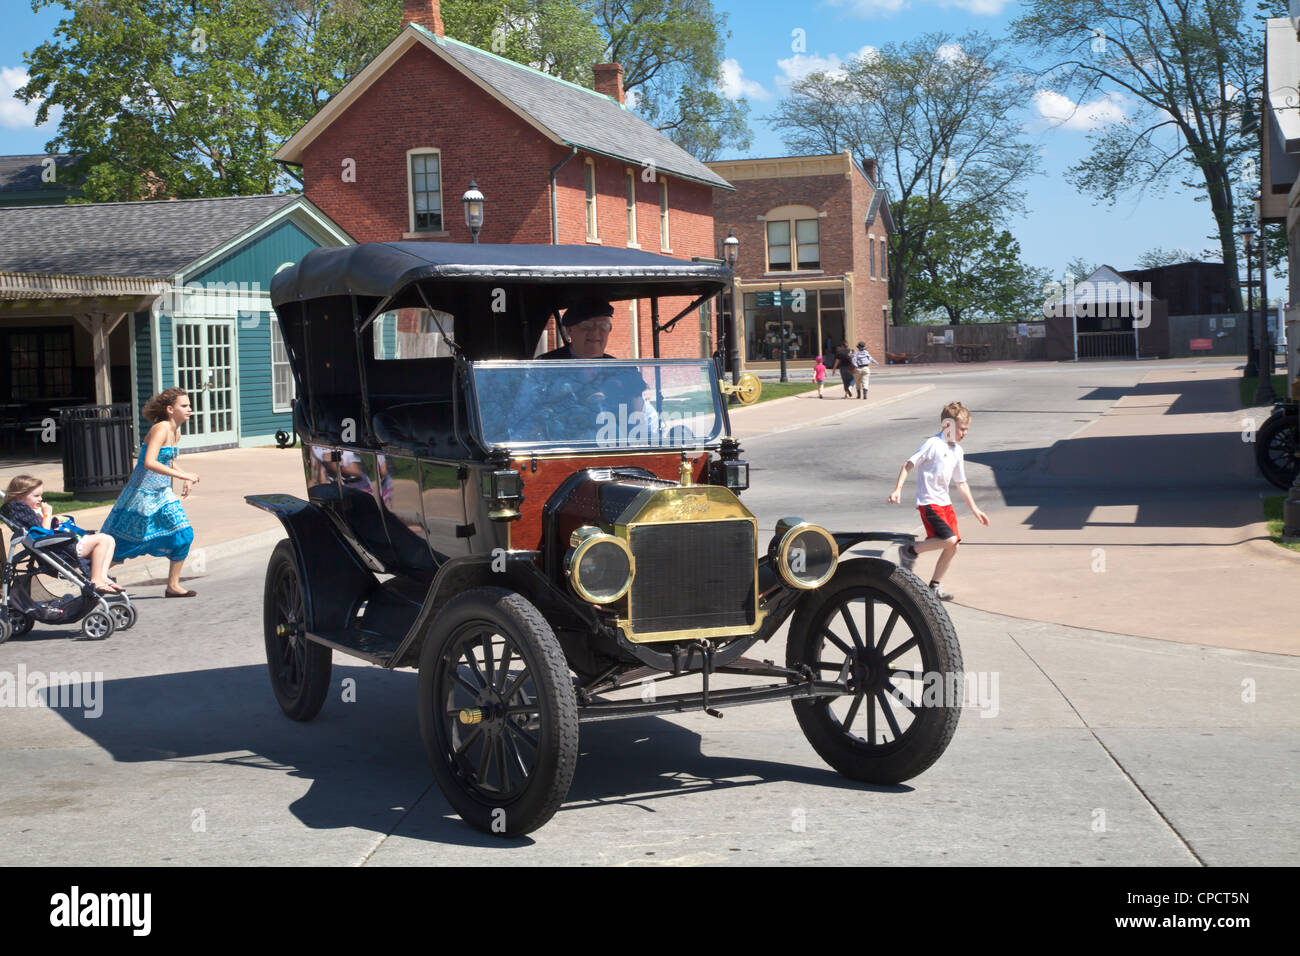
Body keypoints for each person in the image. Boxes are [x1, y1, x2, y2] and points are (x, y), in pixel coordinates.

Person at [100, 387, 199, 598]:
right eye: (184, 405)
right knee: (124, 544)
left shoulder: (175, 431)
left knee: (183, 534)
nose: (190, 409)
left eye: (189, 405)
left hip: (162, 495)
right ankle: (93, 577)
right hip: (141, 496)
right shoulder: (161, 428)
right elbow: (149, 462)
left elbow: (168, 460)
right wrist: (183, 476)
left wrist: (184, 476)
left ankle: (173, 585)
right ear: (171, 409)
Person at [886, 401, 989, 601]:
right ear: (948, 426)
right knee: (949, 539)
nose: (965, 433)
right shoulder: (933, 444)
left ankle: (934, 586)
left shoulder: (957, 451)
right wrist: (898, 489)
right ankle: (909, 550)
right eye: (962, 429)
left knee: (953, 546)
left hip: (945, 504)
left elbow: (961, 483)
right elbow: (908, 464)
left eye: (967, 429)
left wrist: (975, 510)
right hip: (928, 502)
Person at [1, 475, 122, 594]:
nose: (40, 499)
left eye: (41, 495)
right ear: (19, 497)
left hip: (59, 545)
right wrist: (47, 515)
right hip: (60, 550)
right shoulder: (22, 512)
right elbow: (42, 534)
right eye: (36, 496)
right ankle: (96, 579)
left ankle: (102, 576)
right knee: (101, 540)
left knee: (109, 539)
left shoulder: (28, 510)